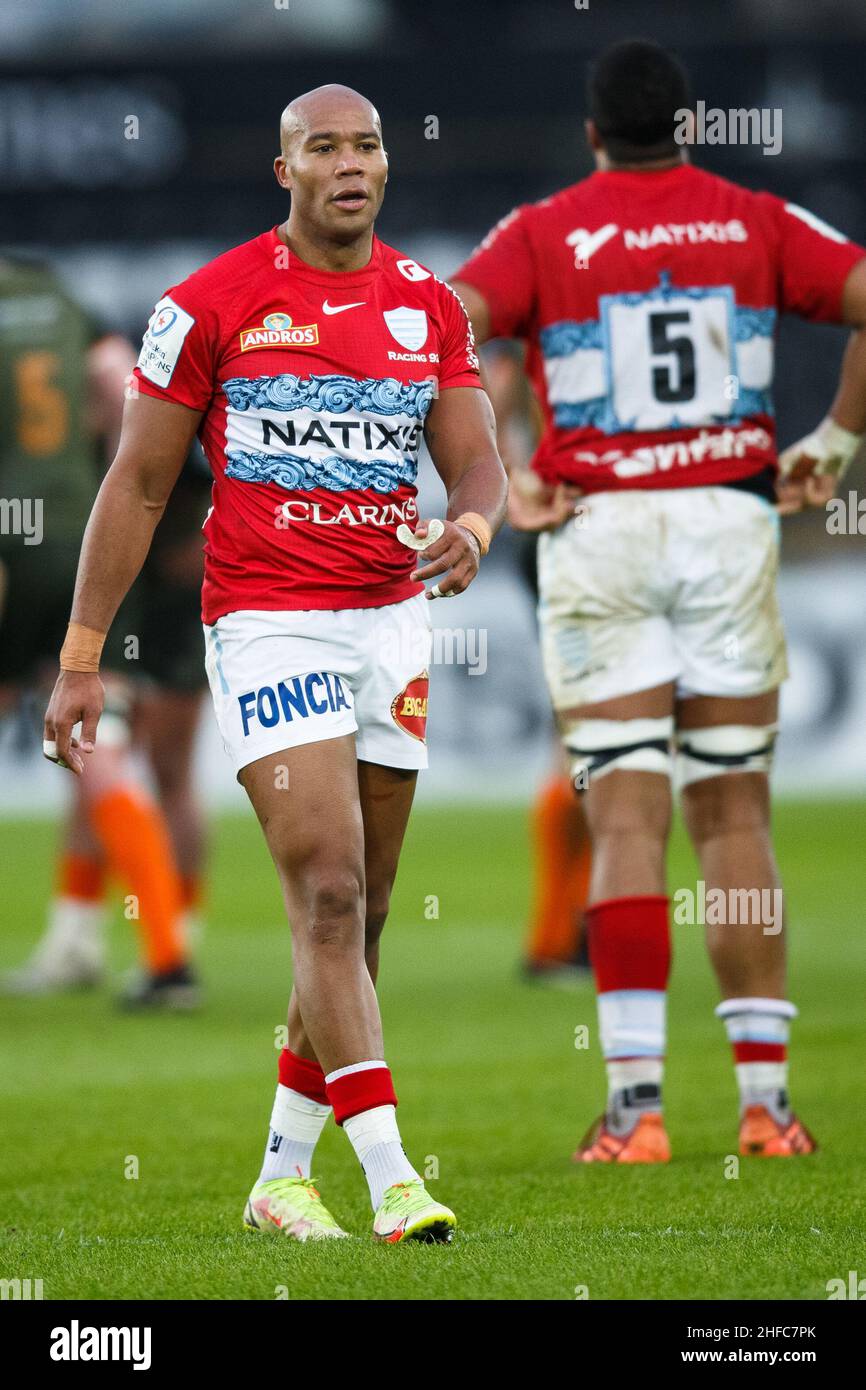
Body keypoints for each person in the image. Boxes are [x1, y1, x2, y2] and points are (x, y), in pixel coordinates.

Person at [43, 85, 507, 1241]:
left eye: (368, 147)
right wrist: (82, 655)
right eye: (324, 149)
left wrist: (474, 526)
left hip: (390, 621)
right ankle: (396, 1177)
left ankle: (278, 1177)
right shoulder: (208, 303)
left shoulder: (425, 306)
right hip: (267, 621)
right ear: (284, 169)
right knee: (331, 887)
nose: (351, 166)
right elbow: (139, 482)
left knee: (362, 911)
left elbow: (477, 459)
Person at [451, 39, 866, 1162]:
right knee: (732, 810)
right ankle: (766, 1107)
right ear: (685, 125)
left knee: (622, 816)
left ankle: (634, 1113)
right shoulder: (749, 218)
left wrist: (505, 467)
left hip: (599, 526)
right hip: (728, 521)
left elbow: (442, 330)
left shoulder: (543, 229)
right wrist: (832, 440)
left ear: (592, 133)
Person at [0, 258, 198, 1006]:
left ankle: (85, 940)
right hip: (86, 540)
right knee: (99, 740)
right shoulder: (54, 295)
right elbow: (121, 386)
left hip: (6, 542)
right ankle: (163, 956)